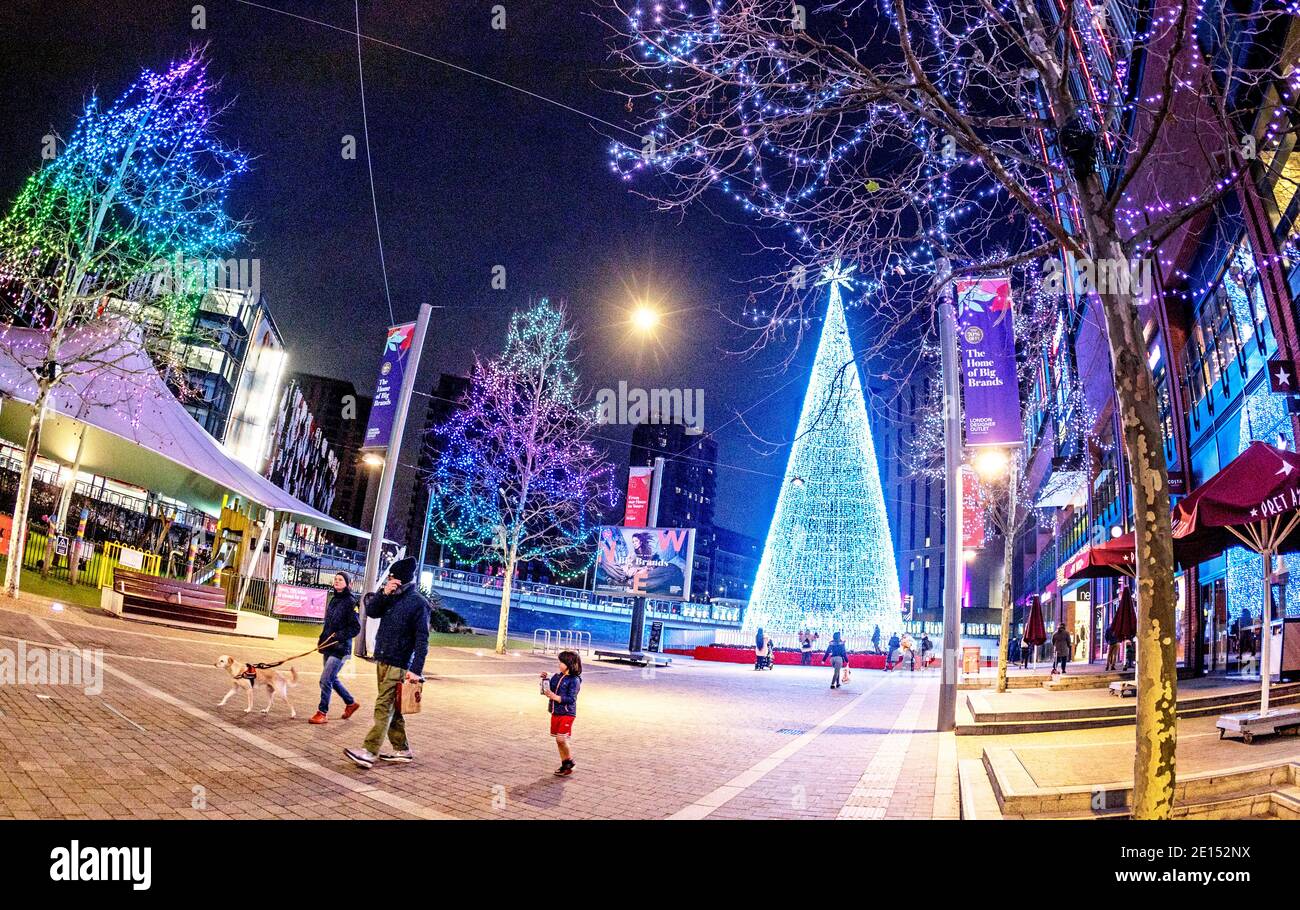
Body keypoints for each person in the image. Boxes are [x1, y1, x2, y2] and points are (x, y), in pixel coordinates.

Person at [344, 557, 431, 770]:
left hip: (400, 663)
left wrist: (415, 670)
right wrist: (384, 593)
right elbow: (372, 612)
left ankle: (369, 751)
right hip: (382, 658)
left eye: (392, 576)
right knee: (393, 707)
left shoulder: (418, 603)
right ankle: (402, 749)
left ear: (401, 579)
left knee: (383, 705)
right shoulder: (391, 597)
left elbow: (422, 639)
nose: (390, 579)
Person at [309, 572, 362, 725]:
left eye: (341, 580)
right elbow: (328, 624)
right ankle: (350, 703)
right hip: (328, 646)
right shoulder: (333, 600)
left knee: (325, 680)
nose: (337, 581)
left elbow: (355, 628)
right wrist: (322, 639)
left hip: (341, 649)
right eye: (336, 579)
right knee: (332, 679)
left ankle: (322, 712)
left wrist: (338, 636)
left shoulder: (351, 602)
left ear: (348, 583)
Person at [541, 649, 582, 776]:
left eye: (561, 662)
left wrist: (555, 697)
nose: (559, 664)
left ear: (569, 664)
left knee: (561, 738)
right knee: (558, 740)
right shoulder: (557, 676)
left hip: (567, 713)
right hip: (555, 711)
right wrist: (545, 679)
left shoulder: (574, 680)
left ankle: (569, 761)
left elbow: (571, 699)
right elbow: (548, 690)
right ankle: (565, 764)